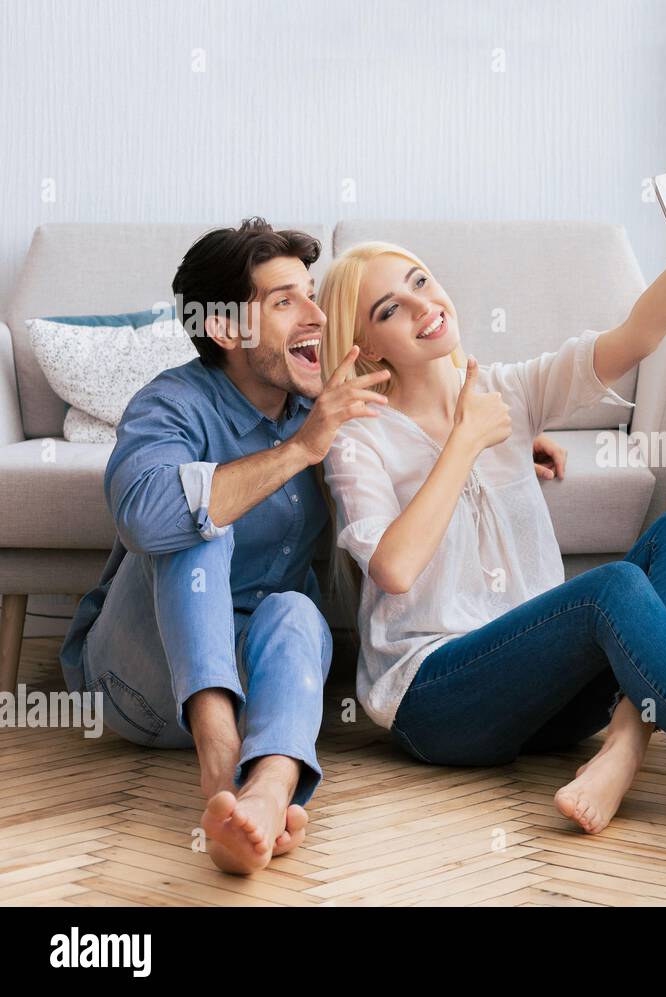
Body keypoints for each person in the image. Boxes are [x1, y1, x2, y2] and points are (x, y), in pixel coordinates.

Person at [58, 218, 570, 874]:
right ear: (226, 329)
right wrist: (298, 449)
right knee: (201, 516)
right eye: (285, 302)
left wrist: (494, 448)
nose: (317, 315)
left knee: (297, 608)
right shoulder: (173, 403)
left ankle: (266, 799)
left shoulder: (325, 404)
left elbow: (409, 422)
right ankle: (220, 767)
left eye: (311, 294)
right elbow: (145, 515)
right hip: (141, 682)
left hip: (260, 680)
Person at [318, 158, 666, 835]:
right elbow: (392, 568)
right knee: (612, 587)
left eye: (421, 282)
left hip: (549, 703)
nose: (424, 305)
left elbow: (636, 338)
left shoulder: (509, 389)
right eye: (391, 308)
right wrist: (465, 441)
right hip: (439, 700)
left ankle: (624, 748)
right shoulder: (361, 438)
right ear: (366, 344)